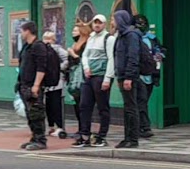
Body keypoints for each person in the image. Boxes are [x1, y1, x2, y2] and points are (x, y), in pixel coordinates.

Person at [72, 14, 114, 148]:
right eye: (95, 23)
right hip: (89, 76)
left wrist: (107, 79)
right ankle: (85, 136)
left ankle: (102, 136)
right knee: (84, 106)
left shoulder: (109, 38)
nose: (97, 25)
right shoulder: (90, 37)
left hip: (101, 76)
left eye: (99, 23)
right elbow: (85, 55)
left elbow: (112, 59)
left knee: (102, 107)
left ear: (104, 24)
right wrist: (86, 68)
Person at [110, 10, 143, 148]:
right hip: (122, 76)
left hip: (129, 77)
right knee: (127, 107)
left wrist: (129, 77)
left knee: (131, 107)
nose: (112, 22)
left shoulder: (131, 35)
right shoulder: (121, 36)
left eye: (113, 19)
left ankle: (133, 139)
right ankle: (127, 137)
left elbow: (133, 57)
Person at [16, 21, 50, 150]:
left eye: (22, 31)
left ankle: (41, 140)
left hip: (33, 85)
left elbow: (41, 68)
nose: (21, 34)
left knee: (36, 113)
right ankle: (34, 137)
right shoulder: (27, 47)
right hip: (24, 84)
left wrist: (36, 86)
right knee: (30, 114)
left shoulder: (38, 46)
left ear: (28, 31)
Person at [42, 30, 69, 139]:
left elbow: (68, 59)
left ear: (54, 40)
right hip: (46, 83)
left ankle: (60, 126)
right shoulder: (42, 50)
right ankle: (51, 125)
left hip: (57, 82)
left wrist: (59, 68)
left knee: (56, 104)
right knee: (48, 105)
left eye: (50, 38)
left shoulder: (58, 49)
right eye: (45, 38)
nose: (48, 41)